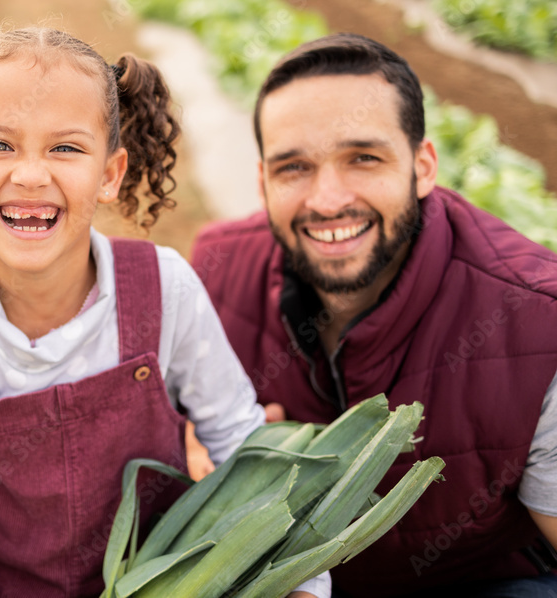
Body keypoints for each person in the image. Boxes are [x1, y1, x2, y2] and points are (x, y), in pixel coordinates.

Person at [0, 28, 327, 598]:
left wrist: (306, 580)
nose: (32, 174)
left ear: (109, 174)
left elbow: (241, 440)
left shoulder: (165, 290)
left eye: (65, 148)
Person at [191, 33, 557, 597]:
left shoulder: (536, 322)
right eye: (294, 167)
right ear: (262, 182)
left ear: (424, 165)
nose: (329, 199)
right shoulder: (215, 272)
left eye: (363, 158)